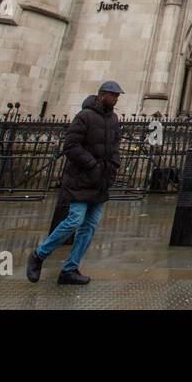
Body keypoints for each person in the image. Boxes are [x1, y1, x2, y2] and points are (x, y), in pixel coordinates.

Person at [27, 81, 123, 285]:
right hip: (81, 179)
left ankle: (70, 269)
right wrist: (92, 164)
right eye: (113, 96)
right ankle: (39, 255)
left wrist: (113, 165)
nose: (116, 99)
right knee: (74, 220)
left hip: (101, 181)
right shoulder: (84, 116)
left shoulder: (113, 119)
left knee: (90, 226)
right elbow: (70, 146)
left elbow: (115, 145)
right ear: (102, 95)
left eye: (117, 96)